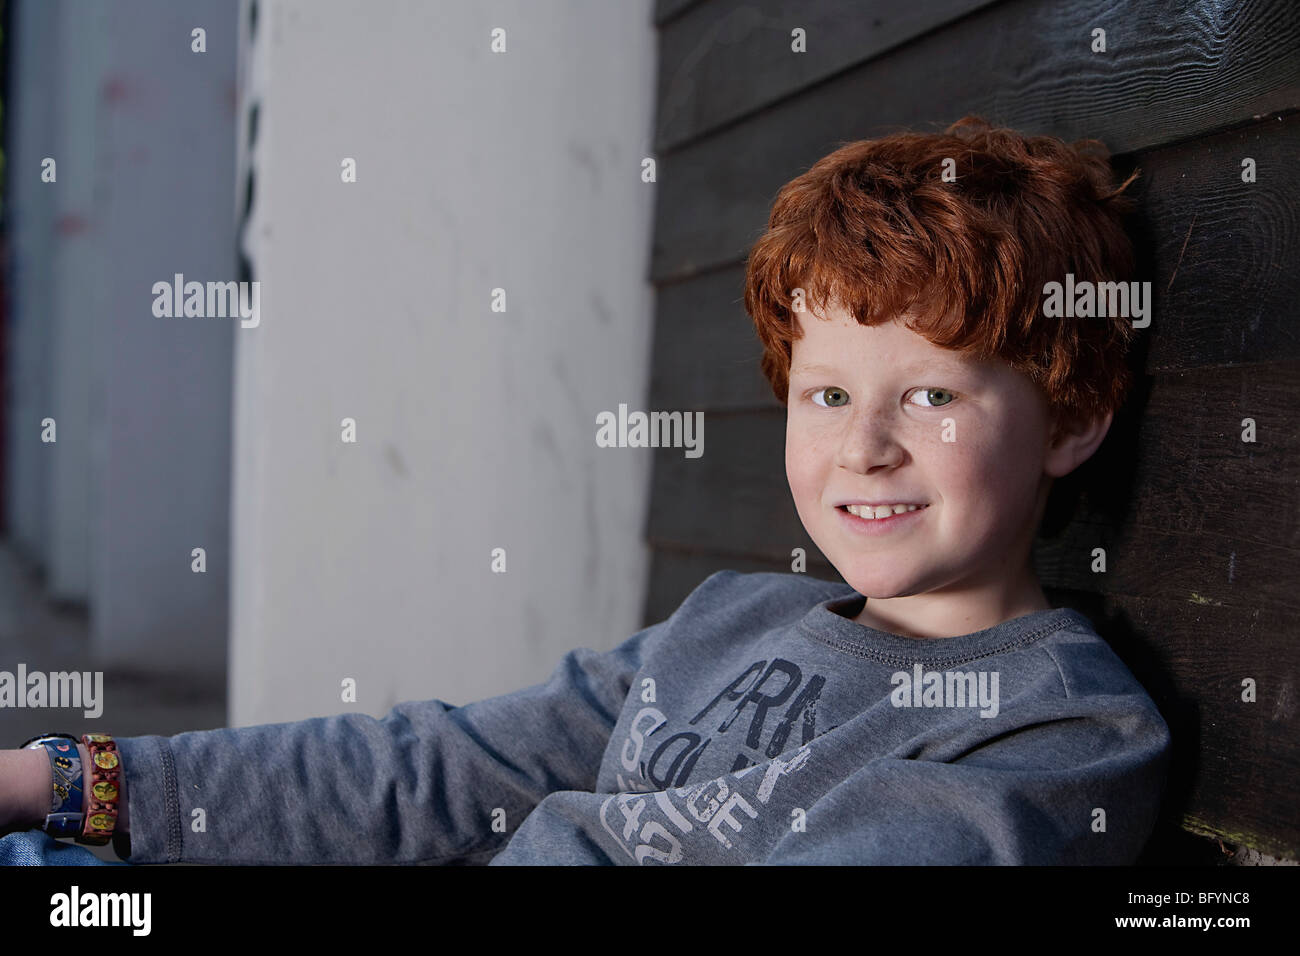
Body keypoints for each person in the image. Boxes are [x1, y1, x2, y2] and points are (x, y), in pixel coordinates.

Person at [0, 115, 1170, 865]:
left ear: (1067, 419)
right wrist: (54, 779)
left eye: (929, 397)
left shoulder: (1056, 726)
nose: (862, 446)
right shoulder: (727, 622)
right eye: (824, 396)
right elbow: (433, 770)